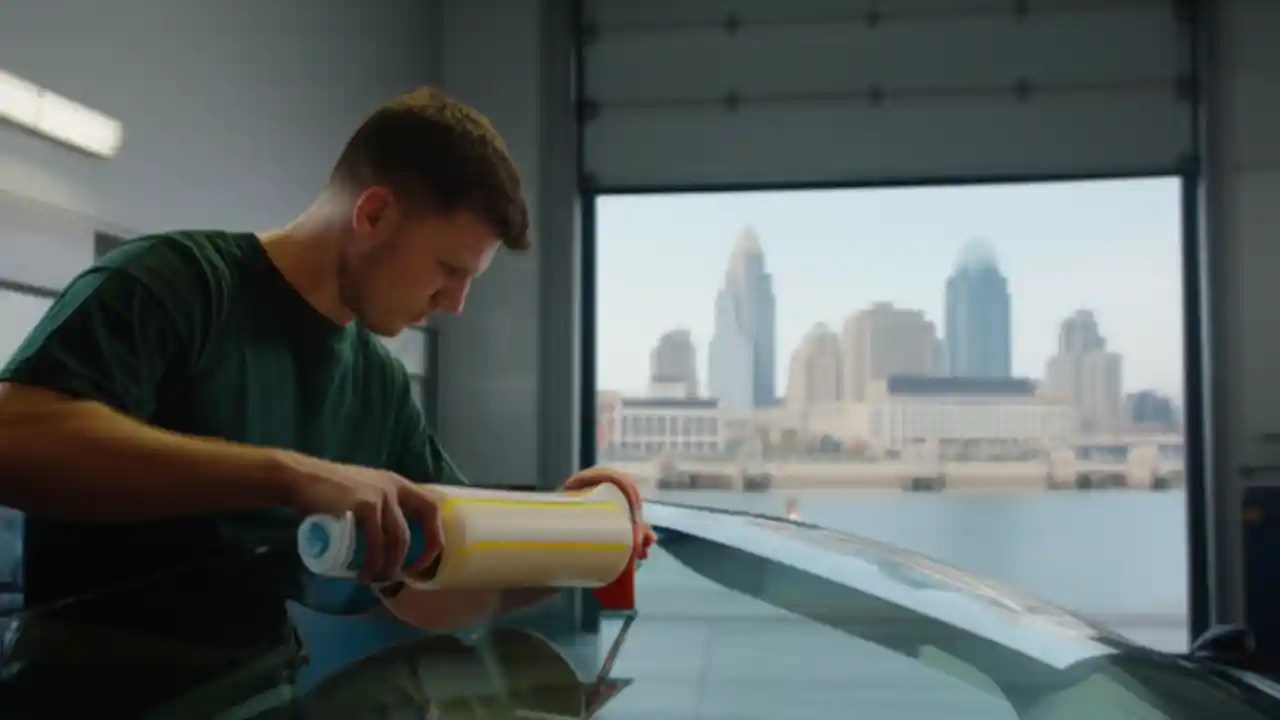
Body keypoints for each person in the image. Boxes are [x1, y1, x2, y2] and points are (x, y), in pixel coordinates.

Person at [0, 86, 652, 712]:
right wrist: (288, 477)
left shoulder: (378, 383)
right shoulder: (176, 287)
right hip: (89, 696)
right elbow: (16, 438)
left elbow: (427, 589)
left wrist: (577, 541)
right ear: (372, 215)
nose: (455, 303)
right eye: (449, 270)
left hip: (259, 695)